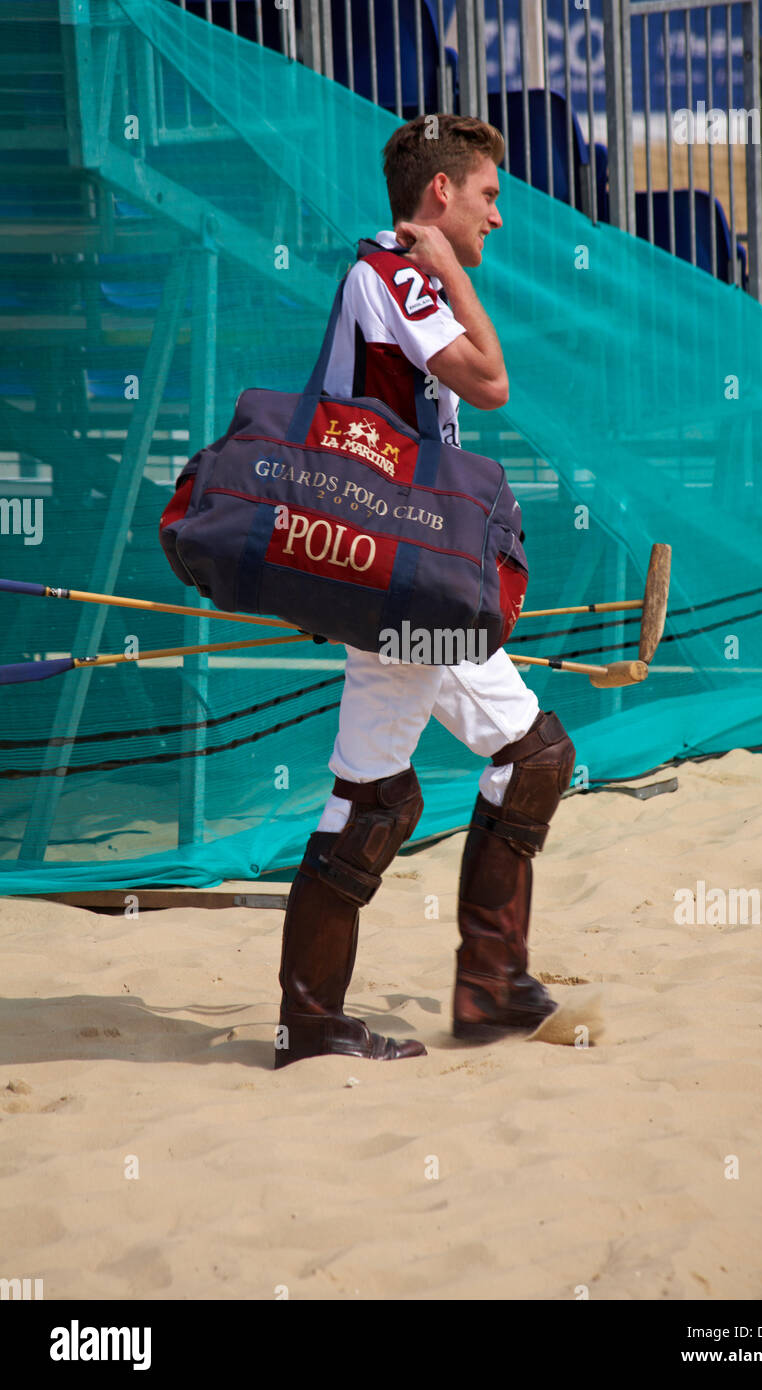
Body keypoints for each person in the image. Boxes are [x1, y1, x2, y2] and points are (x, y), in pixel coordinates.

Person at [275, 114, 576, 1067]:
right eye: (488, 196)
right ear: (439, 193)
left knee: (381, 793)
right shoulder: (402, 271)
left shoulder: (380, 271)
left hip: (397, 572)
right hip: (403, 575)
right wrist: (451, 276)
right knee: (514, 762)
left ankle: (323, 1015)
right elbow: (491, 383)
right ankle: (472, 992)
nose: (499, 218)